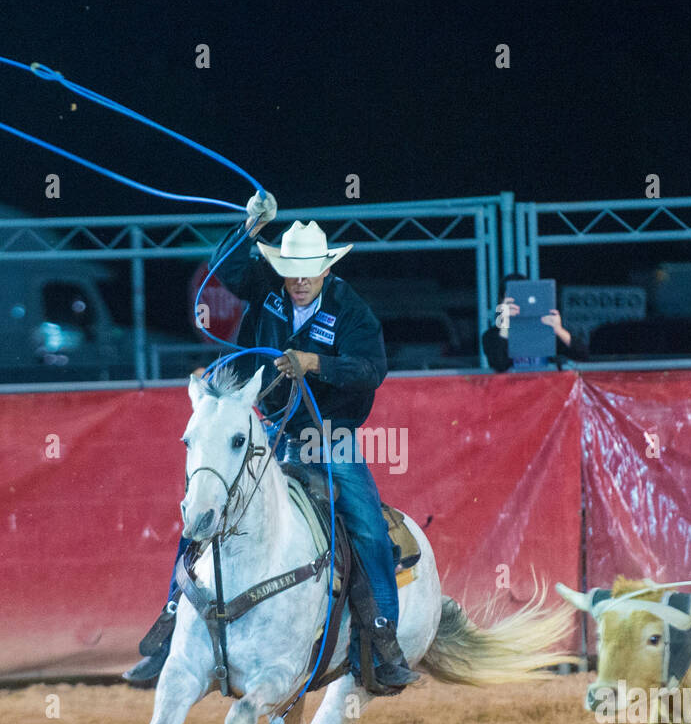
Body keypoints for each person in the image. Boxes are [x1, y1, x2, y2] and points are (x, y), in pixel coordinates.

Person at [124, 191, 418, 694]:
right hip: (269, 429)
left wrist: (315, 364)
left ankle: (382, 640)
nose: (300, 280)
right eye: (292, 269)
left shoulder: (351, 311)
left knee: (368, 527)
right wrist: (250, 226)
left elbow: (372, 370)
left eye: (309, 271)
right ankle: (173, 619)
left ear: (325, 271)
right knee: (204, 506)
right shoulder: (269, 289)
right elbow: (230, 266)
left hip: (330, 437)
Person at [482, 272, 583, 371]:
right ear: (502, 301)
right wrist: (504, 324)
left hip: (545, 386)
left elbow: (582, 354)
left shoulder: (545, 331)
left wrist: (559, 330)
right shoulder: (491, 336)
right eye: (512, 298)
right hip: (513, 387)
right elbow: (499, 364)